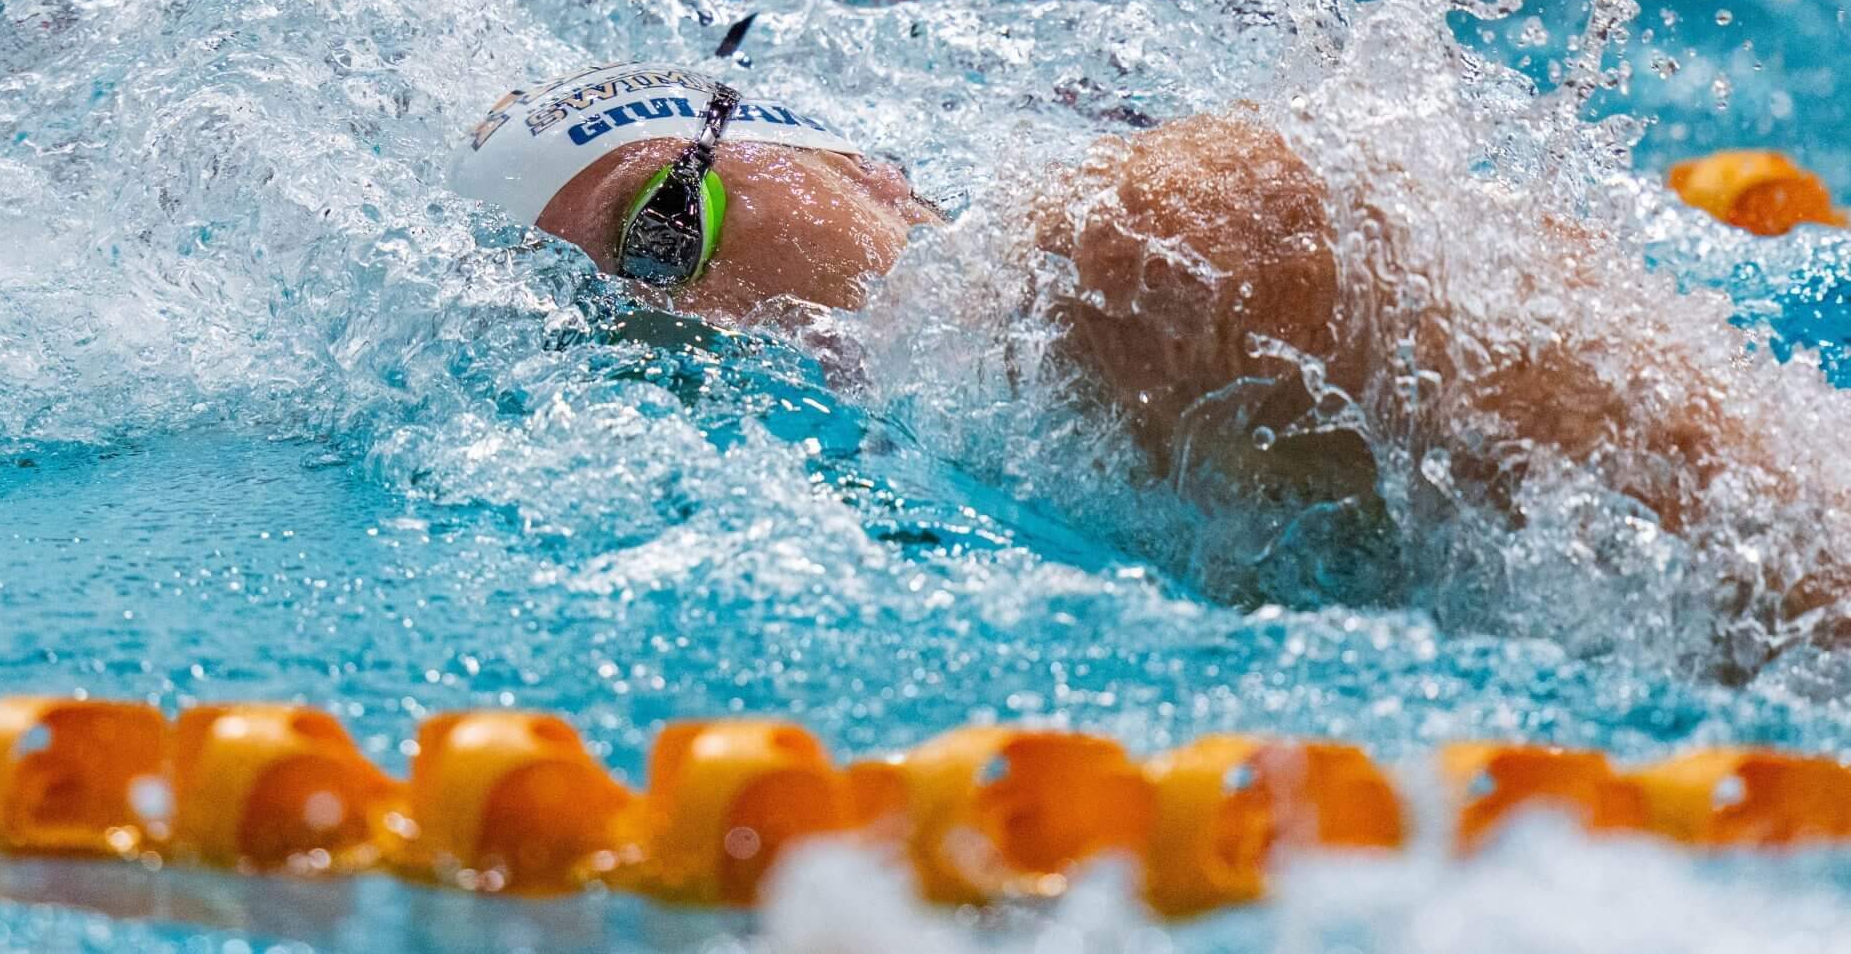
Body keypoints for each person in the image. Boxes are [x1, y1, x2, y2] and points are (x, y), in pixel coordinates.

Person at [456, 56, 1851, 652]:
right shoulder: (1003, 444)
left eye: (659, 234)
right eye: (627, 345)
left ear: (859, 165)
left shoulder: (1143, 256)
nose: (698, 336)